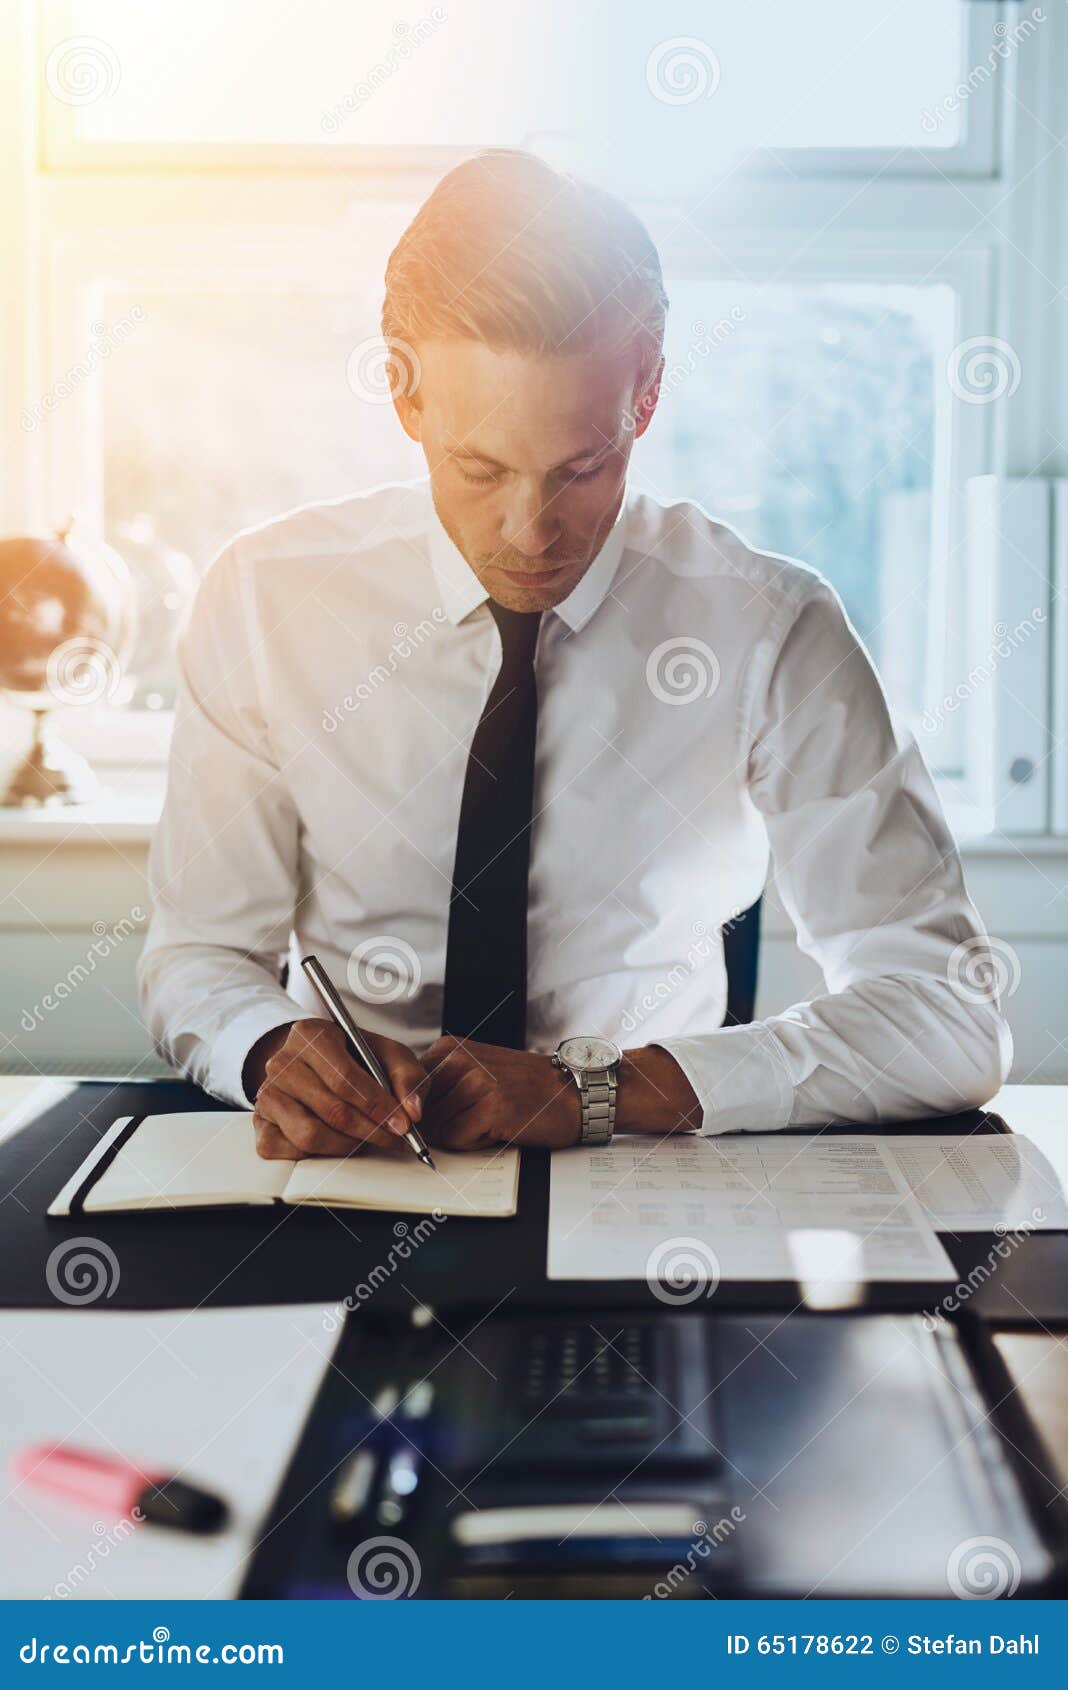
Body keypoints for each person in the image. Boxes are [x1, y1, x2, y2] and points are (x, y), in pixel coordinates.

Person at [138, 149, 1010, 1162]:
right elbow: (197, 954)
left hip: (646, 1178)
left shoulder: (773, 628)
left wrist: (595, 1091)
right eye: (480, 467)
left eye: (582, 467)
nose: (530, 529)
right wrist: (272, 1044)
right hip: (361, 1175)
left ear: (645, 396)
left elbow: (951, 1018)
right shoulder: (264, 600)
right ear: (405, 397)